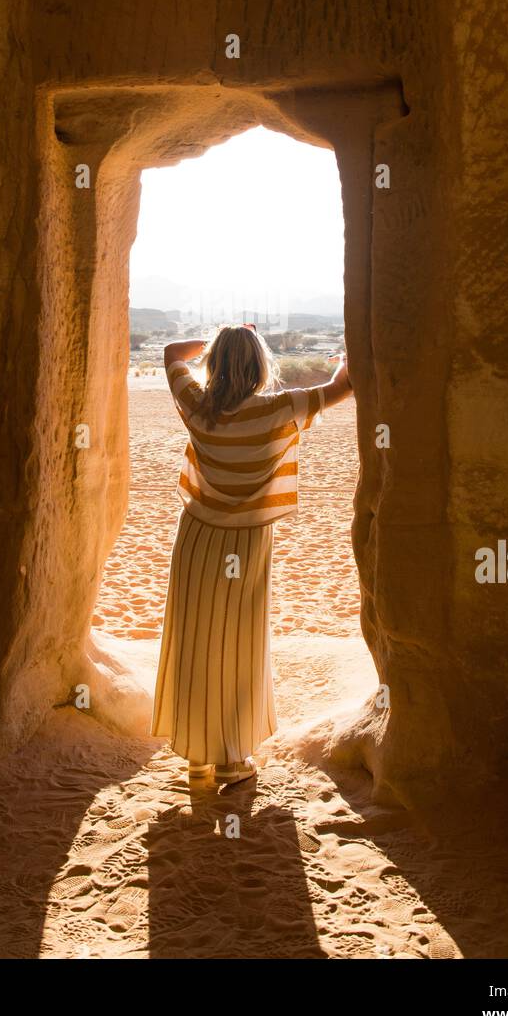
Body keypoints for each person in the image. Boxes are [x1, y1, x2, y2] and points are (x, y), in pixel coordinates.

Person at [149, 322, 353, 786]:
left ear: (215, 363)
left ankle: (197, 758)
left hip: (197, 537)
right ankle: (230, 759)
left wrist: (222, 340)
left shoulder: (197, 405)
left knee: (196, 642)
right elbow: (344, 386)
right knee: (238, 645)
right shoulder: (279, 409)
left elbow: (172, 351)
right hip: (246, 541)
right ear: (260, 366)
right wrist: (344, 356)